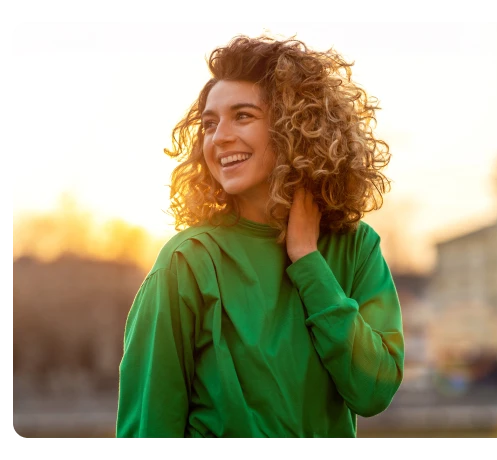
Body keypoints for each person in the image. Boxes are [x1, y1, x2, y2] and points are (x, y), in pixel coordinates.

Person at [116, 34, 405, 439]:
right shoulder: (187, 261)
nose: (219, 138)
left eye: (243, 116)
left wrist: (308, 262)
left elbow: (374, 390)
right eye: (210, 124)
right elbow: (149, 427)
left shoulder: (356, 247)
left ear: (297, 126)